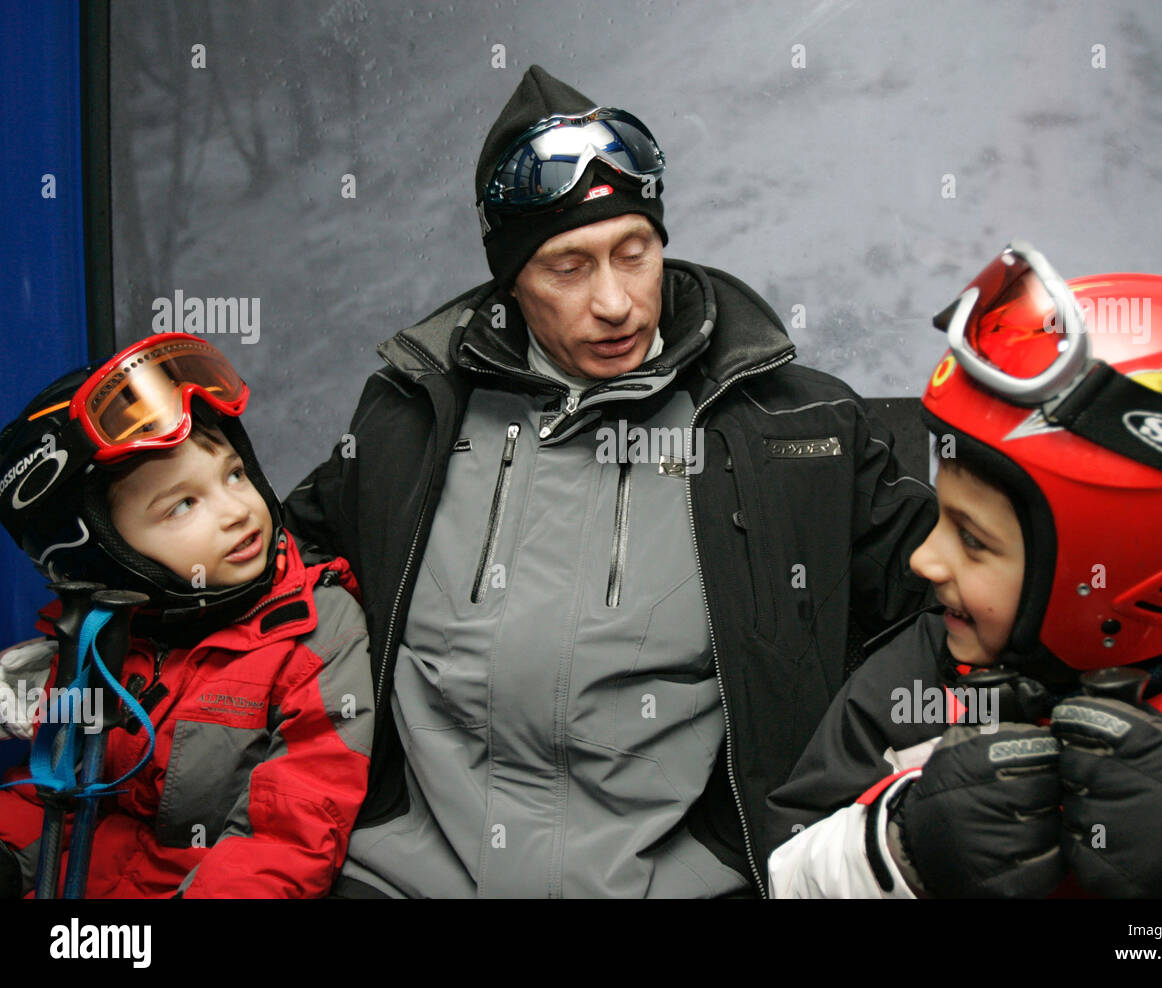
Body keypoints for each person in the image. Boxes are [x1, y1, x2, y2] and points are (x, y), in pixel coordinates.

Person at [283, 65, 937, 897]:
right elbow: (276, 584)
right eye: (567, 268)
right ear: (511, 282)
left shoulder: (796, 433)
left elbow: (954, 606)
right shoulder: (410, 416)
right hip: (401, 881)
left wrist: (839, 808)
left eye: (635, 254)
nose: (616, 302)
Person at [767, 241, 1162, 898]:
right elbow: (785, 867)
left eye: (974, 539)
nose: (923, 559)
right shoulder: (912, 681)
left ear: (1126, 573)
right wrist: (893, 849)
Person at [0, 333, 373, 898]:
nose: (236, 512)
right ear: (104, 554)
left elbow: (285, 843)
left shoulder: (318, 633)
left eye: (233, 474)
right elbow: (53, 796)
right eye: (183, 505)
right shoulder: (101, 642)